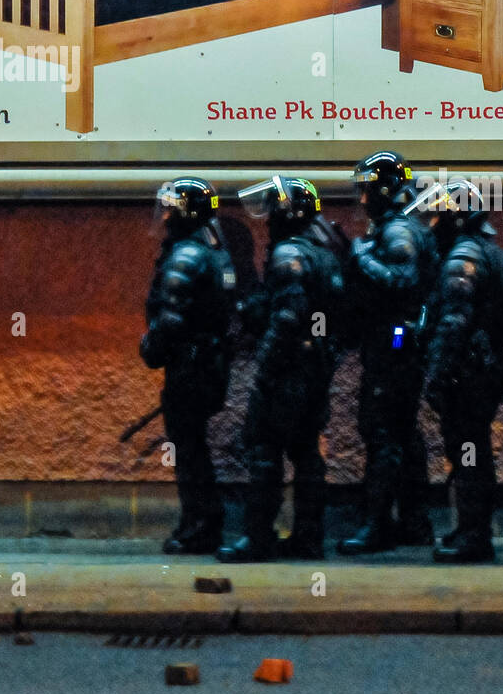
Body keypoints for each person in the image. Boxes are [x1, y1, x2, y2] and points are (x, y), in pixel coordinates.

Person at [217, 177, 348, 563]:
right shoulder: (324, 254)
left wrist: (266, 369)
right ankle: (309, 539)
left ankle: (258, 538)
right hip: (314, 369)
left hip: (289, 371)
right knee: (306, 453)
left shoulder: (288, 256)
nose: (267, 217)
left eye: (272, 208)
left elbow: (289, 318)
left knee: (265, 451)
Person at [337, 150, 440, 555]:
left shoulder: (398, 233)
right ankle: (414, 522)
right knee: (402, 435)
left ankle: (377, 525)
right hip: (393, 343)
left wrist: (361, 257)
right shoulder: (394, 230)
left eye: (367, 191)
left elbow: (403, 282)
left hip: (396, 344)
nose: (362, 201)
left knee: (383, 433)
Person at [408, 180, 503, 562]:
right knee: (473, 451)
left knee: (468, 452)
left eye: (437, 215)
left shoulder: (461, 259)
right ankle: (471, 528)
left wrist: (437, 374)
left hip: (466, 374)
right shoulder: (489, 251)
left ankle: (474, 536)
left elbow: (453, 323)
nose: (432, 223)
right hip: (482, 369)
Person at [139, 177, 239, 556]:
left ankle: (199, 526)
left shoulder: (186, 256)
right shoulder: (213, 250)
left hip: (190, 366)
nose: (164, 217)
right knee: (193, 447)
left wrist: (150, 348)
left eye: (170, 209)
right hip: (208, 362)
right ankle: (201, 522)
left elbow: (171, 319)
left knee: (189, 449)